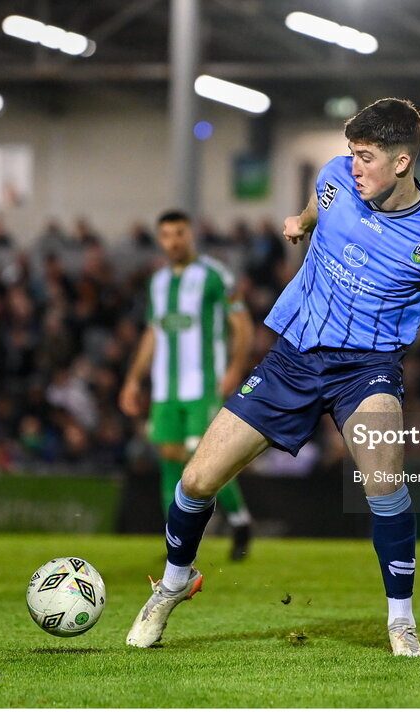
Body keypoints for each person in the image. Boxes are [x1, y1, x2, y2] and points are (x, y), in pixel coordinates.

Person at [125, 98, 420, 656]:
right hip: (292, 358)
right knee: (194, 483)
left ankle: (401, 621)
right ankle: (171, 586)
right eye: (352, 155)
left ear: (403, 162)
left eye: (365, 157)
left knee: (385, 485)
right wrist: (300, 221)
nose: (352, 165)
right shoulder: (338, 176)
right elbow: (321, 202)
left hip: (367, 370)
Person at [120, 210, 254, 562]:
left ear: (190, 234)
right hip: (166, 389)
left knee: (204, 460)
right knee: (167, 458)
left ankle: (240, 522)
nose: (173, 241)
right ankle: (176, 539)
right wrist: (134, 379)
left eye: (179, 233)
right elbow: (153, 332)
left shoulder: (214, 274)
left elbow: (242, 324)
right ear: (159, 239)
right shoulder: (158, 282)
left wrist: (236, 368)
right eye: (166, 235)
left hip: (203, 385)